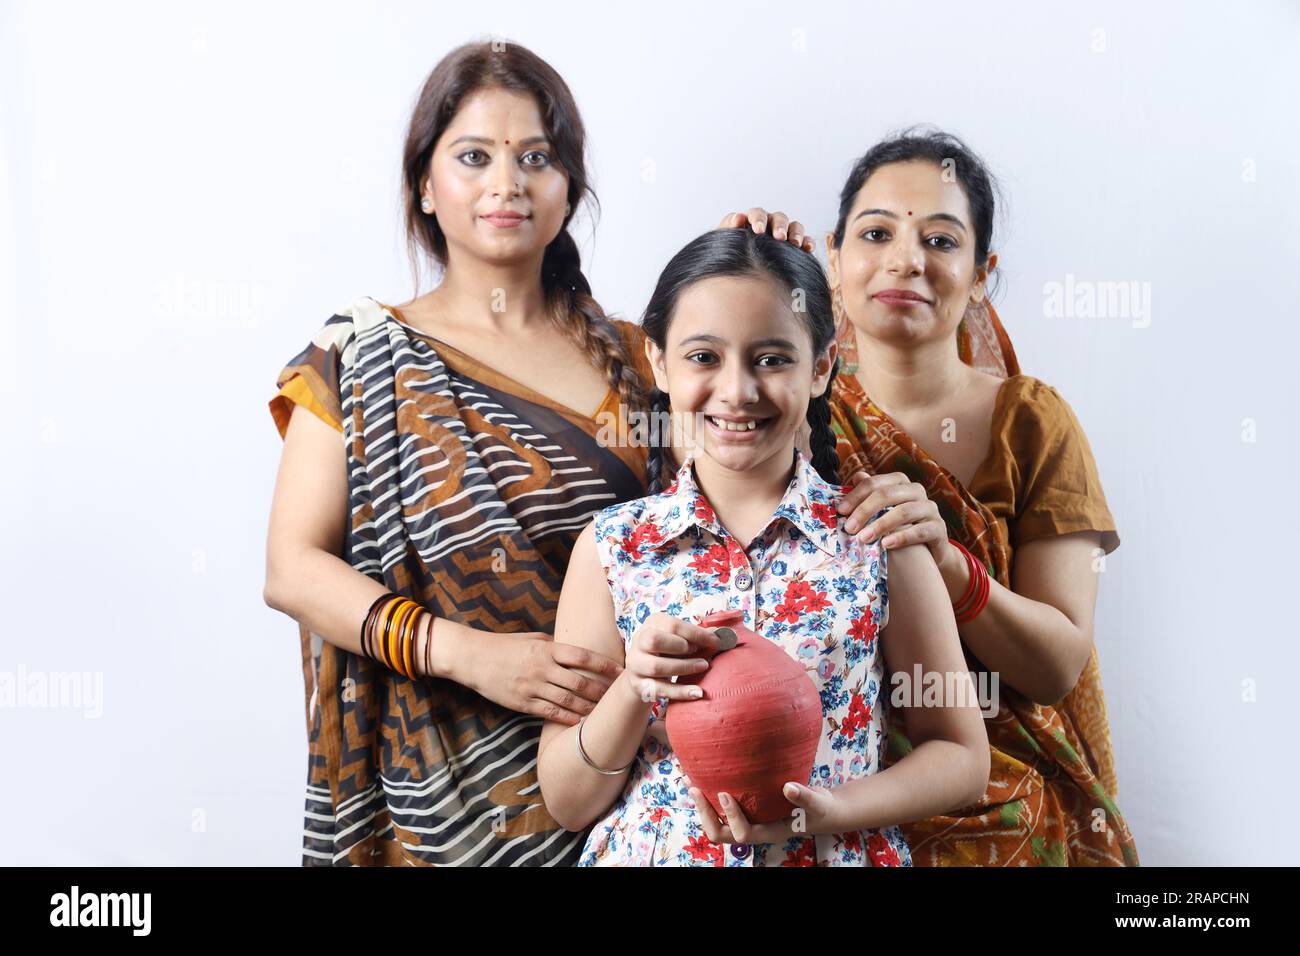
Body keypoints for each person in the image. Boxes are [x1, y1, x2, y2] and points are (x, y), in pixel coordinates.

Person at [262, 38, 807, 865]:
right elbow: (292, 569)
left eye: (536, 157)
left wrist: (780, 274)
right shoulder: (361, 355)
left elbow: (770, 468)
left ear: (568, 189)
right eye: (473, 156)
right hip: (434, 777)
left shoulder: (639, 356)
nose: (505, 183)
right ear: (424, 184)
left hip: (633, 774)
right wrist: (471, 656)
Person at [535, 228, 990, 866]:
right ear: (659, 362)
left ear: (822, 366)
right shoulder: (613, 549)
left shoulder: (879, 539)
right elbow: (566, 800)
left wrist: (834, 809)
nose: (738, 390)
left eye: (772, 358)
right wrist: (633, 688)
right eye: (703, 357)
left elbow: (962, 757)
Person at [827, 128, 1139, 866]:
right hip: (833, 792)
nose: (906, 259)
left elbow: (1057, 663)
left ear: (980, 274)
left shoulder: (1031, 422)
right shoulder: (791, 416)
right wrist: (733, 258)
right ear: (833, 259)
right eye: (876, 234)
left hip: (1009, 804)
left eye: (941, 239)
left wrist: (950, 566)